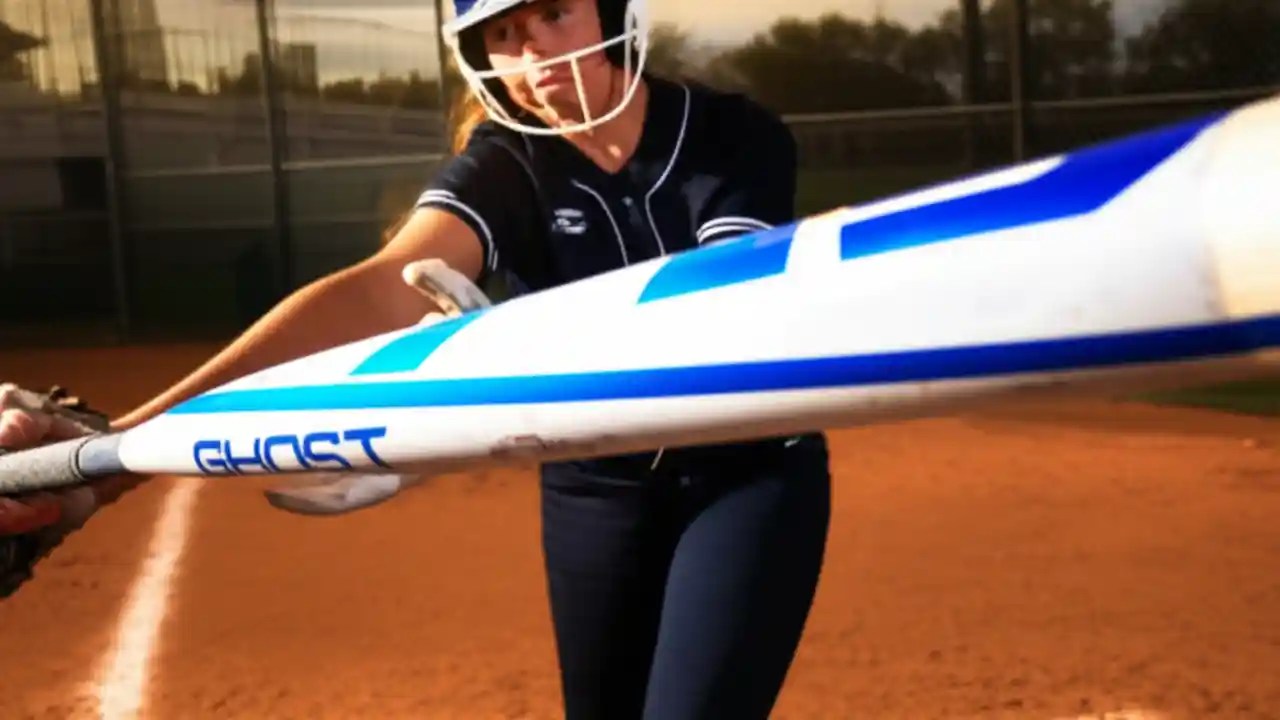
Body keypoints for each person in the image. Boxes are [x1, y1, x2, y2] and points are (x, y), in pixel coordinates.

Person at [0, 0, 833, 716]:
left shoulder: (731, 136)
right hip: (595, 485)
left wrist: (496, 374)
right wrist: (103, 461)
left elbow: (718, 313)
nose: (533, 50)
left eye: (553, 13)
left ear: (615, 13)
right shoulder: (511, 160)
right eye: (502, 34)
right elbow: (374, 294)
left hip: (743, 477)